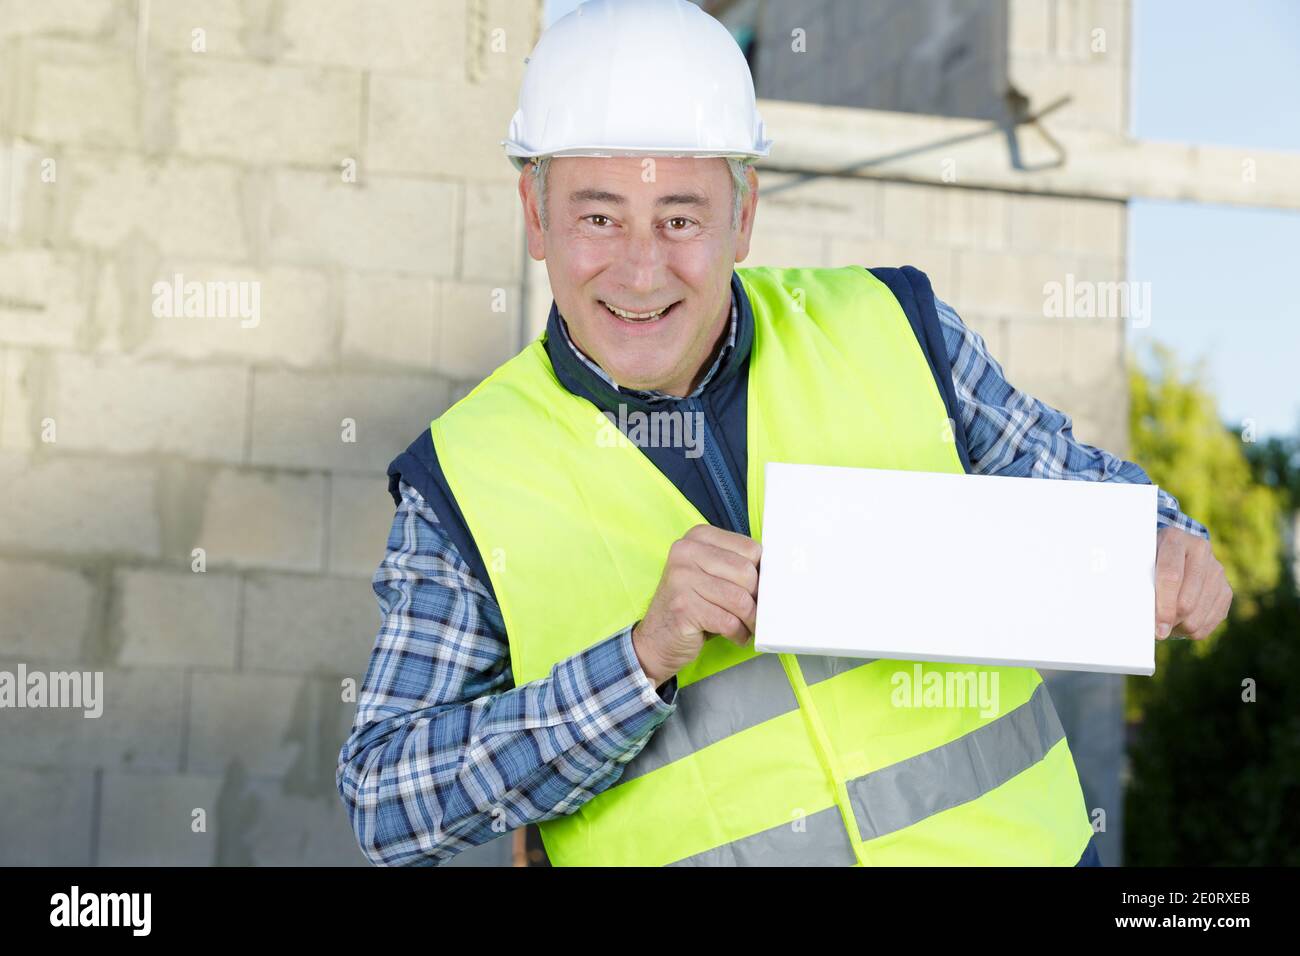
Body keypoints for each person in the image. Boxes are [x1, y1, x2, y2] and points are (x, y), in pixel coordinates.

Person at [336, 0, 1231, 867]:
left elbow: (1088, 496)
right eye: (597, 216)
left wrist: (1170, 547)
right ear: (536, 217)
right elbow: (386, 803)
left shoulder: (897, 328)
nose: (642, 269)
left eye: (681, 217)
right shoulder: (462, 478)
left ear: (745, 214)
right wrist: (638, 661)